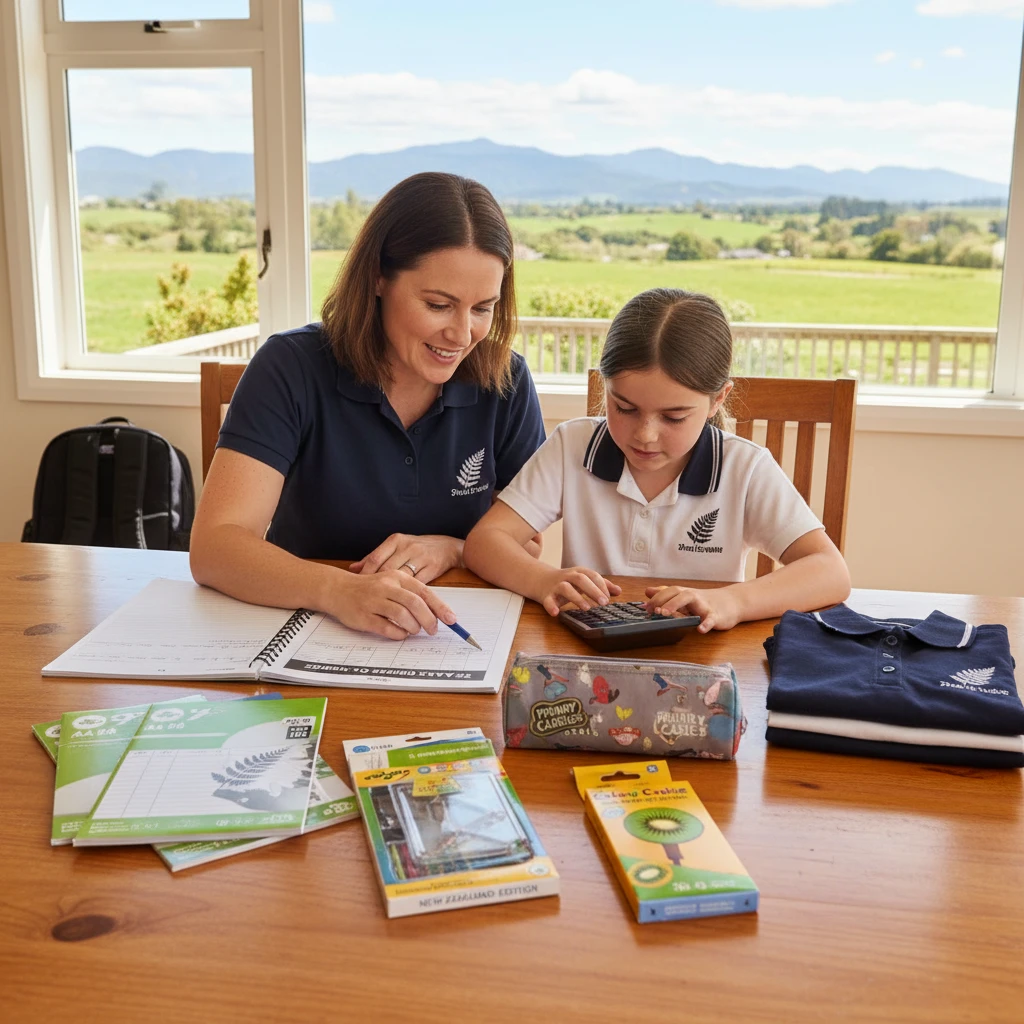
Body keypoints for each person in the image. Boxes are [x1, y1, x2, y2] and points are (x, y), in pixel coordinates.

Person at [190, 172, 545, 640]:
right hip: (300, 628)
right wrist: (340, 591)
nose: (462, 335)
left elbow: (530, 544)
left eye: (482, 308)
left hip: (445, 637)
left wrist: (455, 549)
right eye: (438, 305)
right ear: (378, 277)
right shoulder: (290, 366)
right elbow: (215, 547)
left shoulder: (506, 380)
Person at [463, 288, 851, 632]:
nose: (645, 435)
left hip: (704, 658)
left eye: (673, 417)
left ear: (717, 399)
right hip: (590, 653)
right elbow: (484, 543)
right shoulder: (573, 445)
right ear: (605, 388)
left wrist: (732, 601)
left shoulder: (744, 468)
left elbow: (830, 571)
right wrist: (543, 579)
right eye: (625, 408)